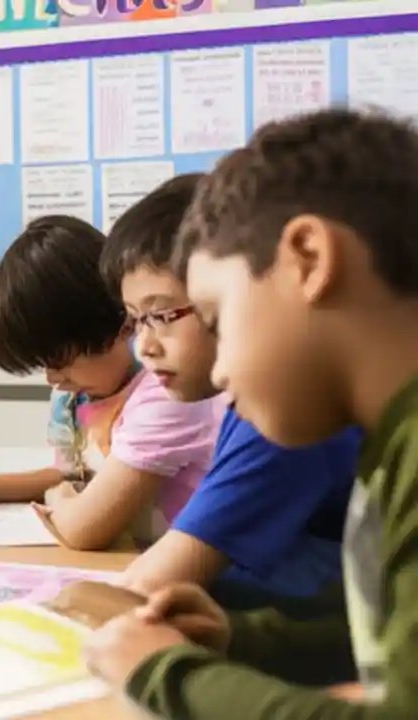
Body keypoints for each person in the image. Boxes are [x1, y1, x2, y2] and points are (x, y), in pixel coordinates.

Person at [86, 108, 418, 718]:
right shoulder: (392, 446)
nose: (217, 370)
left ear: (309, 260)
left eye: (216, 318)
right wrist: (245, 639)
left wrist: (163, 674)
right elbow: (388, 635)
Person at [100, 173, 359, 606]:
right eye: (136, 320)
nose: (144, 347)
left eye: (163, 315)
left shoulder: (285, 405)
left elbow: (147, 587)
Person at [0, 216, 222, 550]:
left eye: (60, 362)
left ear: (119, 325)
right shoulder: (74, 397)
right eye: (43, 365)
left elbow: (83, 528)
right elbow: (72, 474)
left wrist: (60, 497)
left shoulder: (167, 392)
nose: (53, 378)